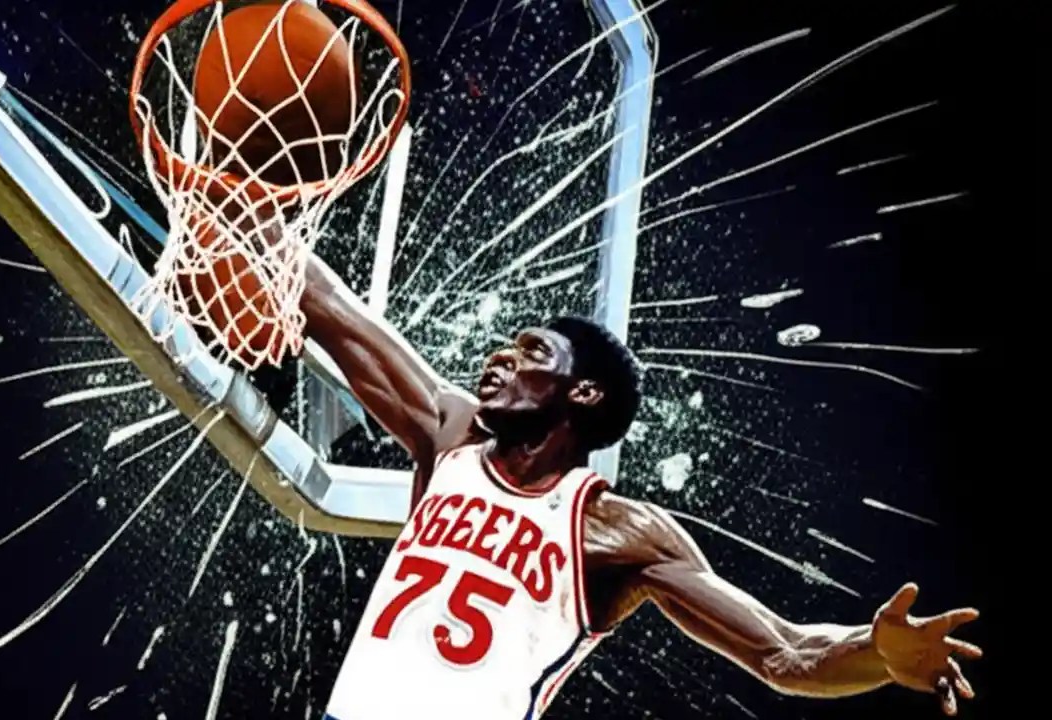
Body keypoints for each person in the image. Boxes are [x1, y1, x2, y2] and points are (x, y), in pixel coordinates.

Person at [297, 258, 982, 720]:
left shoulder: (621, 532)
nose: (500, 356)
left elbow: (785, 652)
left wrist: (879, 655)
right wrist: (238, 205)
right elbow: (328, 305)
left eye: (531, 351)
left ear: (583, 393)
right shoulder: (451, 437)